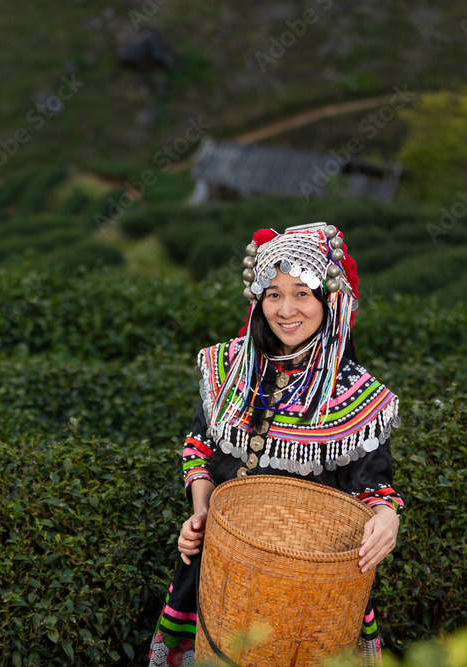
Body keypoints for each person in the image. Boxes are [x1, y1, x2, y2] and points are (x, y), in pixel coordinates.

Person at [147, 223, 404, 667]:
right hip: (217, 571)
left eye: (302, 293)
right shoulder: (227, 368)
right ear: (258, 300)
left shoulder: (355, 396)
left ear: (329, 301)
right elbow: (200, 448)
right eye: (274, 294)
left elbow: (373, 490)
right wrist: (201, 513)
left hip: (307, 589)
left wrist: (387, 520)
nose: (286, 309)